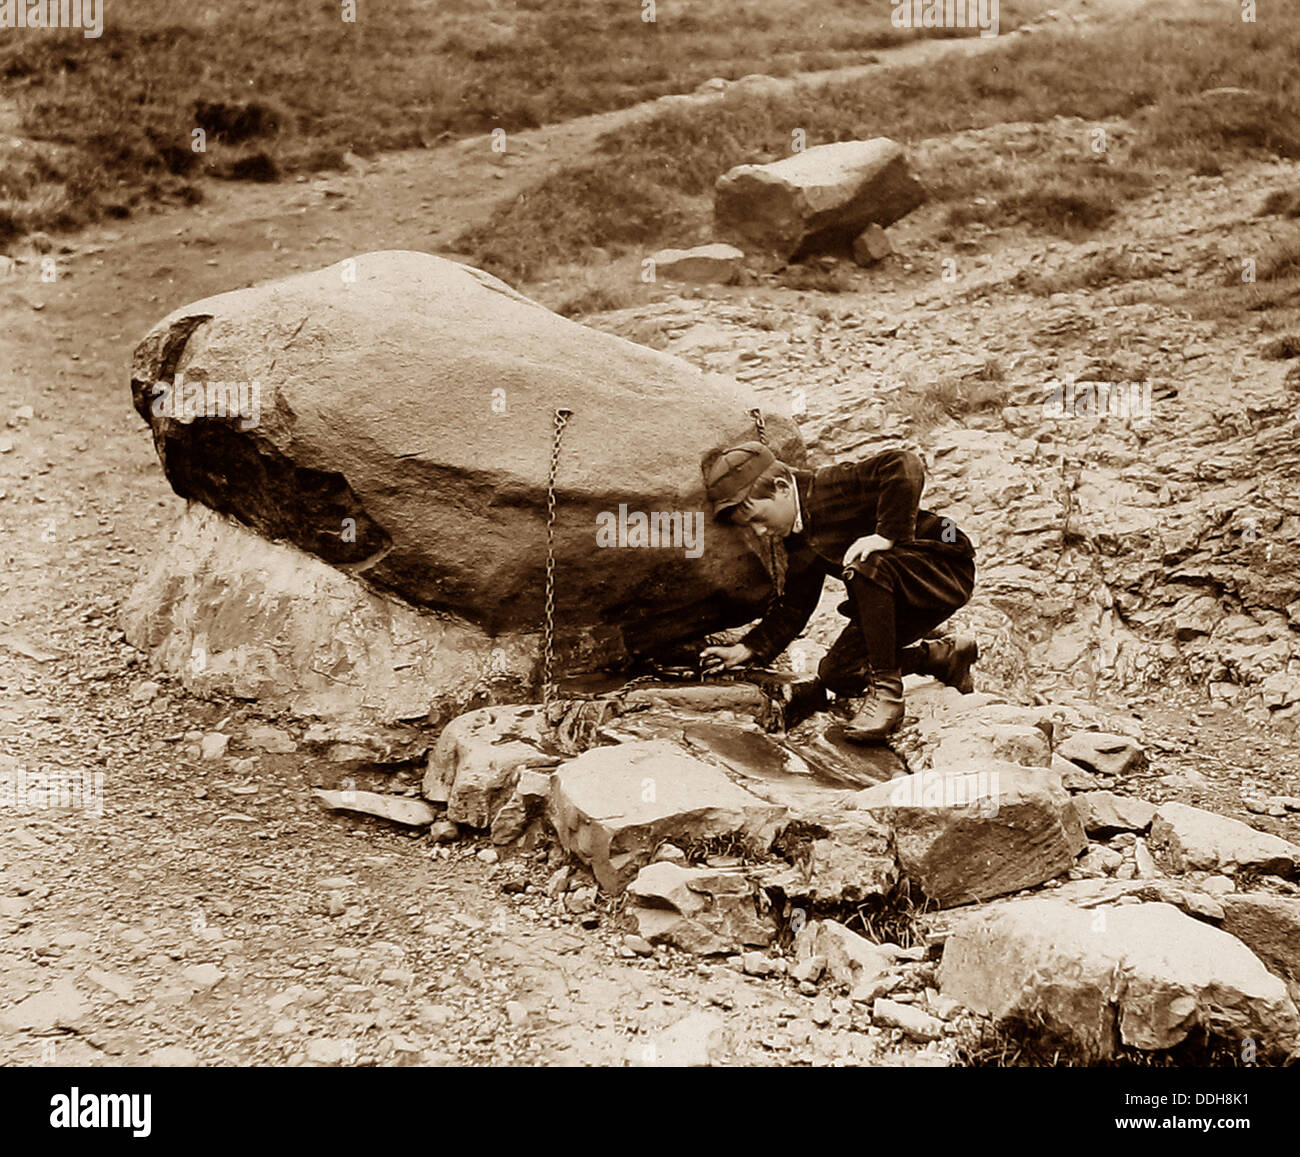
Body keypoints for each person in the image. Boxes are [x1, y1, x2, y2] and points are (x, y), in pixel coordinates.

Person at [699, 441, 977, 743]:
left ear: (781, 487)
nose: (759, 532)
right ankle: (944, 657)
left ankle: (887, 695)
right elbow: (795, 607)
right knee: (837, 674)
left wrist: (887, 535)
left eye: (758, 519)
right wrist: (746, 649)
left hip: (943, 570)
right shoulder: (797, 540)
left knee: (866, 564)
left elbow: (903, 463)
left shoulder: (829, 485)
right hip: (891, 600)